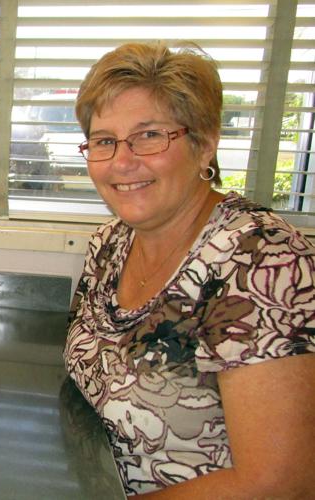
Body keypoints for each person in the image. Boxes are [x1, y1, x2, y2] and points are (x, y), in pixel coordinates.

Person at [65, 41, 315, 497]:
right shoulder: (110, 243)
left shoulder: (263, 260)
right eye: (105, 141)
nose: (122, 161)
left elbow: (279, 483)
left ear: (205, 146)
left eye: (149, 135)